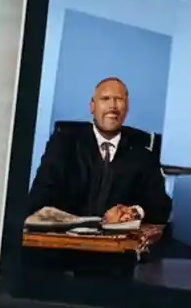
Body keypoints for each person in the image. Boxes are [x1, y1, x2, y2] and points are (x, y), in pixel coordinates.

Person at [26, 77, 173, 224]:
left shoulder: (143, 152)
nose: (112, 106)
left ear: (127, 107)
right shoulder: (64, 143)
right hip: (64, 239)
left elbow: (161, 207)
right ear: (92, 106)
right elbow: (39, 196)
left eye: (119, 99)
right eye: (105, 99)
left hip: (117, 243)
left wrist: (132, 212)